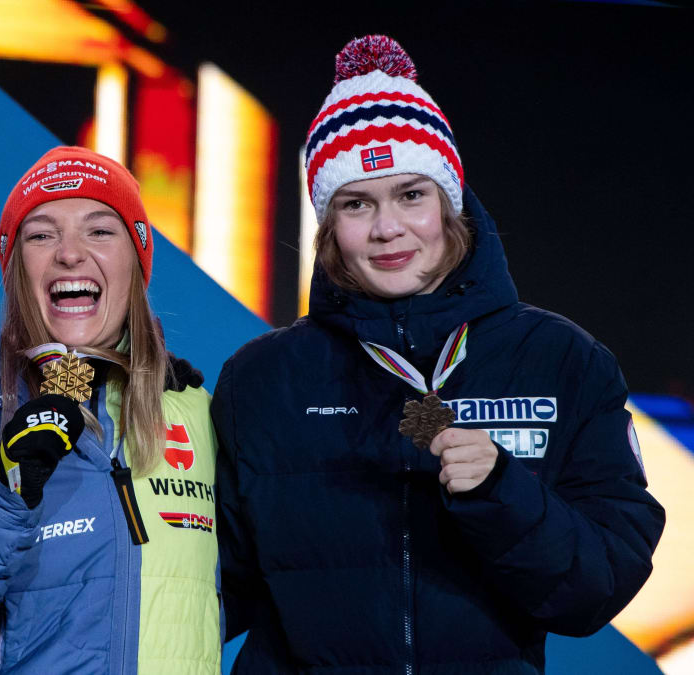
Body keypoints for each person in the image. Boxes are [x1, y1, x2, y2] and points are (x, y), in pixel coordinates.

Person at [213, 35, 664, 674]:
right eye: (356, 203)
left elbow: (594, 590)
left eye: (411, 194)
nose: (387, 227)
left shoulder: (563, 360)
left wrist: (499, 491)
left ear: (450, 202)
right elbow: (205, 591)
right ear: (328, 224)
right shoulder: (261, 379)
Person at [0, 146, 220, 673]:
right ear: (17, 270)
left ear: (138, 259)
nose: (70, 253)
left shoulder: (193, 409)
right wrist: (6, 494)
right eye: (41, 234)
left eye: (100, 230)